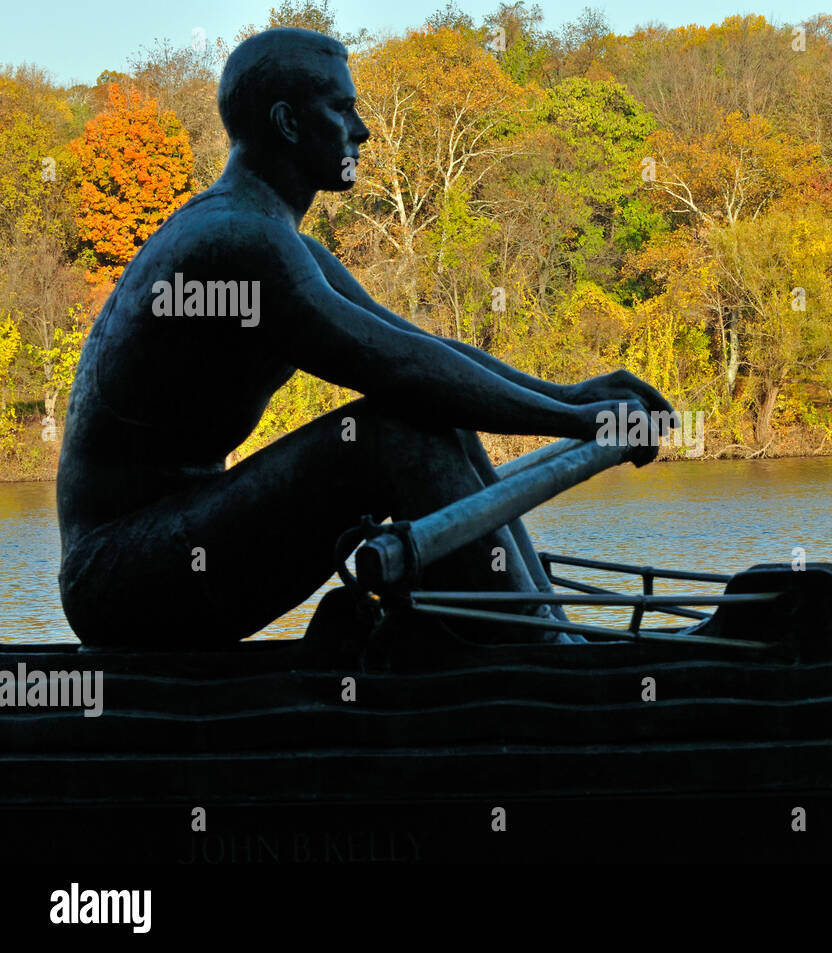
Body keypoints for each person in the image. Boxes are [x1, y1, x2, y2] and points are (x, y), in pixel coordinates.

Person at [57, 28, 674, 648]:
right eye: (342, 108)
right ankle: (542, 658)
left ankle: (545, 636)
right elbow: (400, 369)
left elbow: (424, 352)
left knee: (435, 411)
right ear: (287, 123)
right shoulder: (239, 243)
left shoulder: (281, 243)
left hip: (166, 548)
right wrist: (582, 422)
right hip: (120, 582)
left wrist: (572, 399)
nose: (361, 130)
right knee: (394, 430)